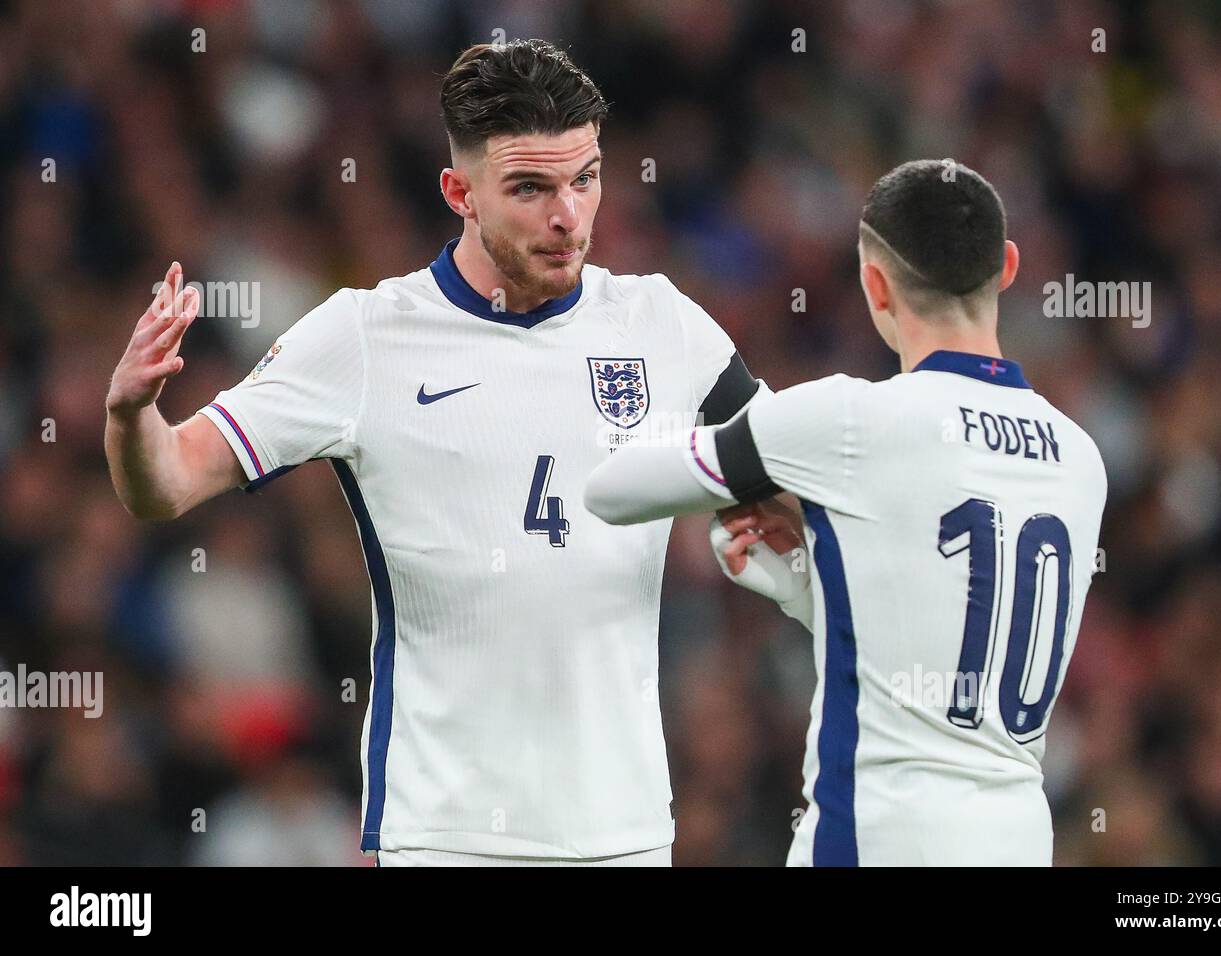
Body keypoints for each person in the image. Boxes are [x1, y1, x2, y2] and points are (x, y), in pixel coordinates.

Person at [104, 39, 768, 867]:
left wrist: (771, 529)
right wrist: (131, 417)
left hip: (625, 834)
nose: (568, 216)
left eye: (585, 179)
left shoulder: (662, 324)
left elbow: (786, 474)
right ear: (460, 192)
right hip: (446, 835)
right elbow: (165, 482)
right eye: (530, 188)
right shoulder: (367, 338)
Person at [585, 160, 1108, 866]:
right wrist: (812, 579)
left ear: (874, 284)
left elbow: (613, 489)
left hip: (881, 835)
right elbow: (958, 636)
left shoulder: (850, 419)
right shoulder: (1079, 457)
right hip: (1018, 837)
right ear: (1007, 267)